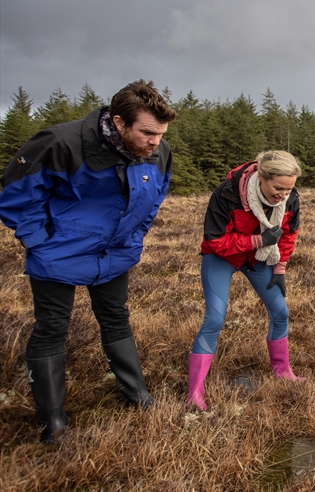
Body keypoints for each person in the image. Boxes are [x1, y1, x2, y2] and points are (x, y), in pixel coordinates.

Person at [0, 80, 176, 443]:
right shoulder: (59, 143)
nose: (155, 142)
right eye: (147, 132)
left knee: (116, 318)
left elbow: (154, 197)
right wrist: (40, 243)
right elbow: (16, 196)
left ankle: (137, 396)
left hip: (114, 254)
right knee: (51, 329)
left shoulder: (158, 152)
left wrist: (133, 237)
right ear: (119, 122)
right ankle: (54, 423)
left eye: (160, 134)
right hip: (58, 255)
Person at [187, 150, 306, 411]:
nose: (284, 195)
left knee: (280, 312)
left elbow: (288, 235)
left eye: (289, 190)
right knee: (215, 319)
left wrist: (280, 268)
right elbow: (215, 240)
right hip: (221, 257)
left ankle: (282, 371)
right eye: (278, 188)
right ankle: (194, 393)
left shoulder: (291, 198)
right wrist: (259, 241)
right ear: (262, 177)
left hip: (259, 260)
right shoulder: (227, 193)